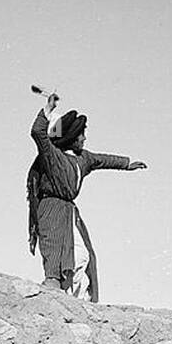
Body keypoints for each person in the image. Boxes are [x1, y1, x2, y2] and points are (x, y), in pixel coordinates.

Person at [26, 92, 146, 300]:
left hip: (69, 212)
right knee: (54, 249)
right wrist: (48, 109)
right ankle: (53, 289)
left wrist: (127, 164)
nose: (85, 138)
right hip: (51, 208)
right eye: (82, 134)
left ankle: (80, 300)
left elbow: (103, 160)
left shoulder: (83, 159)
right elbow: (38, 132)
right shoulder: (52, 155)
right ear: (72, 137)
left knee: (82, 255)